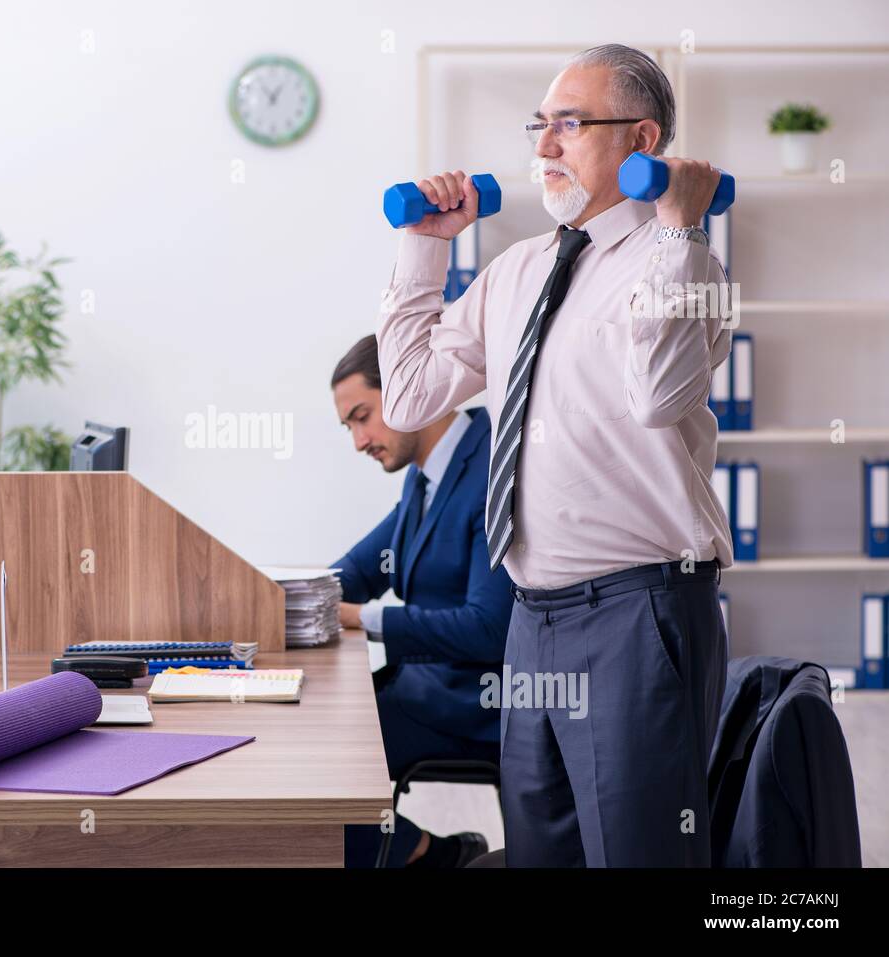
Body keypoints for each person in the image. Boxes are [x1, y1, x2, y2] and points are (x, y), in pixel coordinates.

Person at [376, 44, 734, 867]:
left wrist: (680, 226)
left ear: (643, 142)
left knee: (637, 852)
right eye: (540, 126)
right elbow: (409, 399)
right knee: (542, 851)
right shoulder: (518, 270)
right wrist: (426, 248)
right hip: (531, 616)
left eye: (568, 126)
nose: (543, 148)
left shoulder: (686, 265)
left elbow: (657, 394)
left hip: (638, 612)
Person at [330, 334, 513, 867]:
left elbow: (489, 627)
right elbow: (359, 570)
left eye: (362, 417)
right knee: (310, 746)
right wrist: (278, 597)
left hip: (472, 704)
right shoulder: (425, 475)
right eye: (349, 426)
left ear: (408, 390)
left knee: (322, 762)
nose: (360, 441)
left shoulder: (487, 467)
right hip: (426, 690)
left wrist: (363, 617)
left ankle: (422, 856)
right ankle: (428, 853)